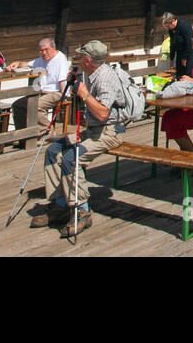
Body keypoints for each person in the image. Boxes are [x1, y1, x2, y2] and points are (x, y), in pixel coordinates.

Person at [34, 40, 134, 237]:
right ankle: (60, 204)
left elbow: (103, 114)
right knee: (53, 151)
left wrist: (85, 95)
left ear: (88, 60)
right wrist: (74, 84)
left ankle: (82, 210)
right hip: (92, 130)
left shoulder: (105, 78)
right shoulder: (90, 73)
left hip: (109, 132)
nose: (78, 59)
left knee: (71, 159)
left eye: (80, 56)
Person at [10, 37, 70, 129]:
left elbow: (63, 81)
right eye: (41, 51)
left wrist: (63, 96)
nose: (44, 53)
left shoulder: (60, 59)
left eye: (46, 50)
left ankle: (47, 133)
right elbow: (27, 64)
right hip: (42, 92)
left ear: (53, 48)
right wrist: (17, 63)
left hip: (57, 92)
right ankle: (23, 136)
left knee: (36, 105)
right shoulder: (42, 59)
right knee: (17, 105)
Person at [162, 12, 193, 78]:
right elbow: (172, 44)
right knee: (179, 74)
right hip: (180, 53)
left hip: (189, 53)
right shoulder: (171, 30)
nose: (168, 28)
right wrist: (171, 59)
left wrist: (185, 58)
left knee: (187, 74)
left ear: (173, 21)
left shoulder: (184, 26)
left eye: (168, 25)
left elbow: (189, 42)